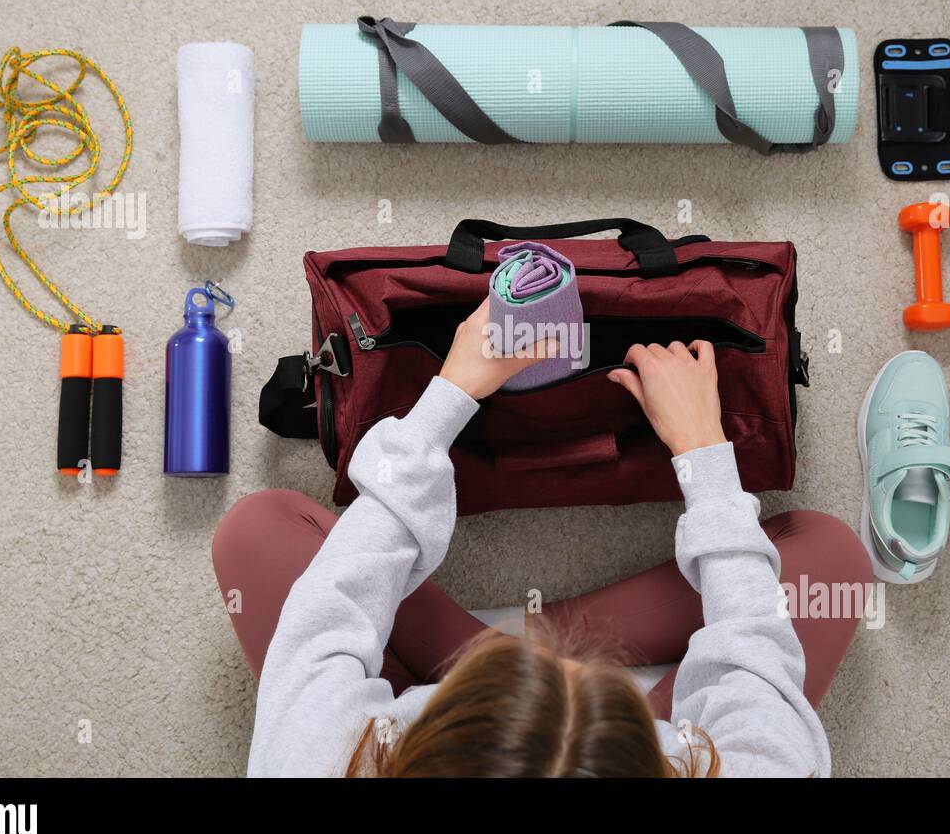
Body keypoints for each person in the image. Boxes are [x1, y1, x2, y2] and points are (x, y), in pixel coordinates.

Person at [213, 301, 872, 776]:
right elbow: (755, 656)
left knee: (258, 533)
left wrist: (450, 394)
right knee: (831, 563)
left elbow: (325, 613)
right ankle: (523, 642)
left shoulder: (316, 760)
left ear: (423, 731)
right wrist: (703, 450)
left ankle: (502, 645)